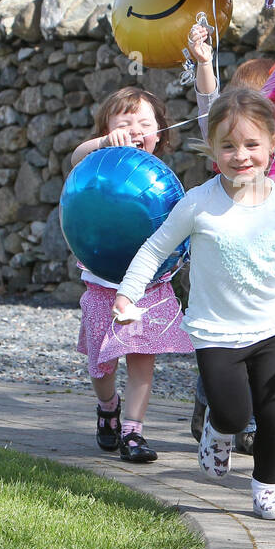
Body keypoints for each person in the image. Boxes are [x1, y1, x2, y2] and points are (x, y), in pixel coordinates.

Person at [114, 88, 275, 520]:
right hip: (215, 332)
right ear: (211, 148)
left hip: (269, 328)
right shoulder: (198, 204)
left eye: (251, 145)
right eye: (227, 145)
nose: (240, 155)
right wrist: (127, 292)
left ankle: (268, 489)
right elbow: (154, 250)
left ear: (274, 145)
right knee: (232, 413)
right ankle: (216, 430)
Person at [70, 86, 194, 463]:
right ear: (107, 128)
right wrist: (105, 143)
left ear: (160, 133)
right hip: (103, 286)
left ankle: (133, 431)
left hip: (151, 287)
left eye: (145, 123)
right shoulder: (96, 170)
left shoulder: (162, 181)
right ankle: (108, 406)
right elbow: (75, 158)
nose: (135, 130)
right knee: (100, 365)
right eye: (124, 122)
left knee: (143, 360)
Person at [186, 21, 275, 453]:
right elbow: (210, 104)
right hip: (222, 272)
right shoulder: (230, 148)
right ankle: (216, 410)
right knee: (224, 350)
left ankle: (253, 426)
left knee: (267, 352)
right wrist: (204, 62)